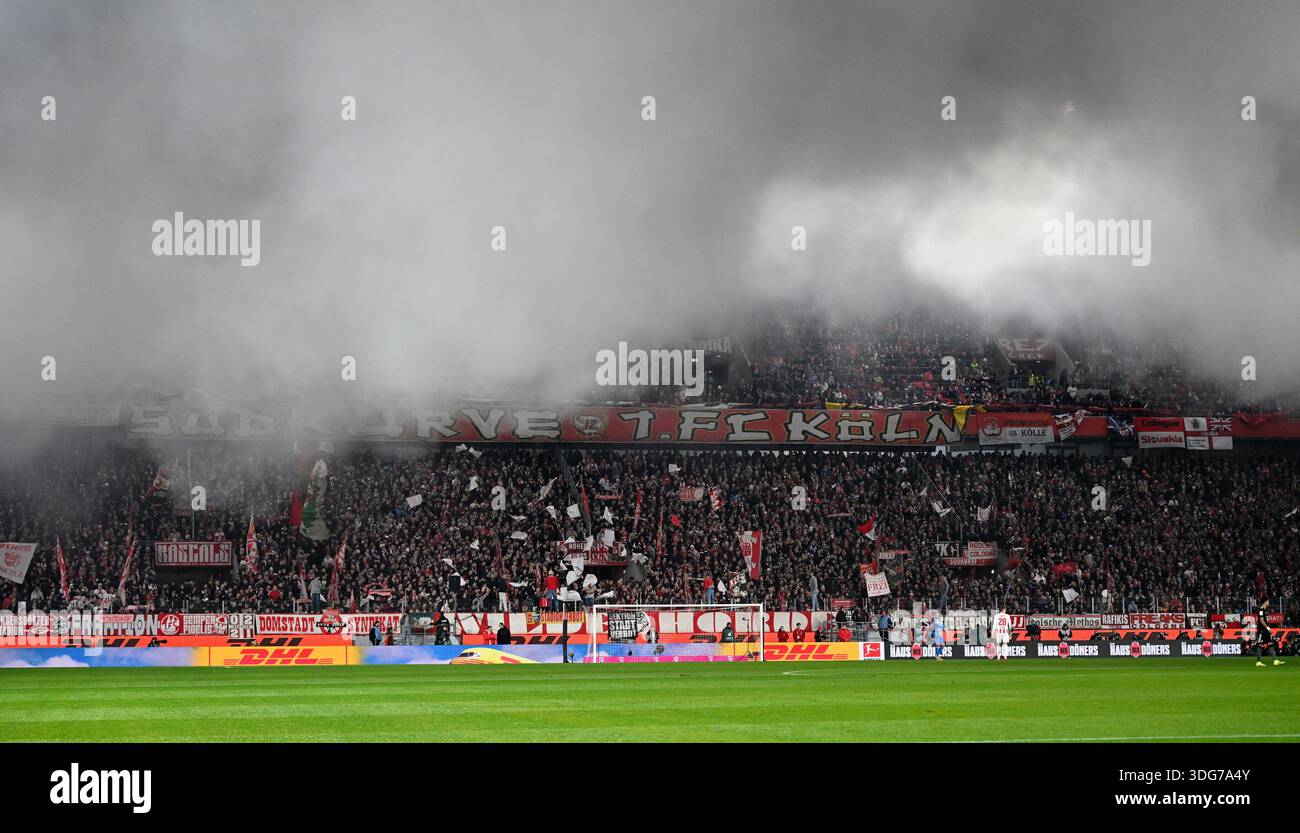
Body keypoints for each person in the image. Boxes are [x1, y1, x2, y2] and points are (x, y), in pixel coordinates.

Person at [1254, 603, 1284, 667]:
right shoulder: (1261, 610)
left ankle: (1275, 661)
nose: (1268, 602)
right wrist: (1268, 628)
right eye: (1267, 601)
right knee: (1260, 645)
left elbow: (1266, 621)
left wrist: (1268, 628)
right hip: (1262, 631)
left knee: (1271, 644)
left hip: (1266, 631)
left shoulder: (1265, 610)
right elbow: (1261, 620)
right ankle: (1258, 662)